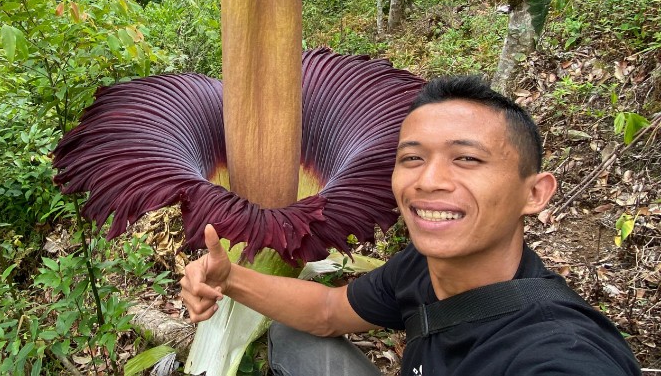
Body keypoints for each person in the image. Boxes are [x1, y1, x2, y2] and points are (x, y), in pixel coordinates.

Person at [180, 75, 642, 375]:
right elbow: (326, 312)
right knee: (291, 331)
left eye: (467, 159)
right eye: (412, 159)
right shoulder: (420, 268)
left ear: (535, 193)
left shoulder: (558, 351)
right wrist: (231, 278)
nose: (429, 180)